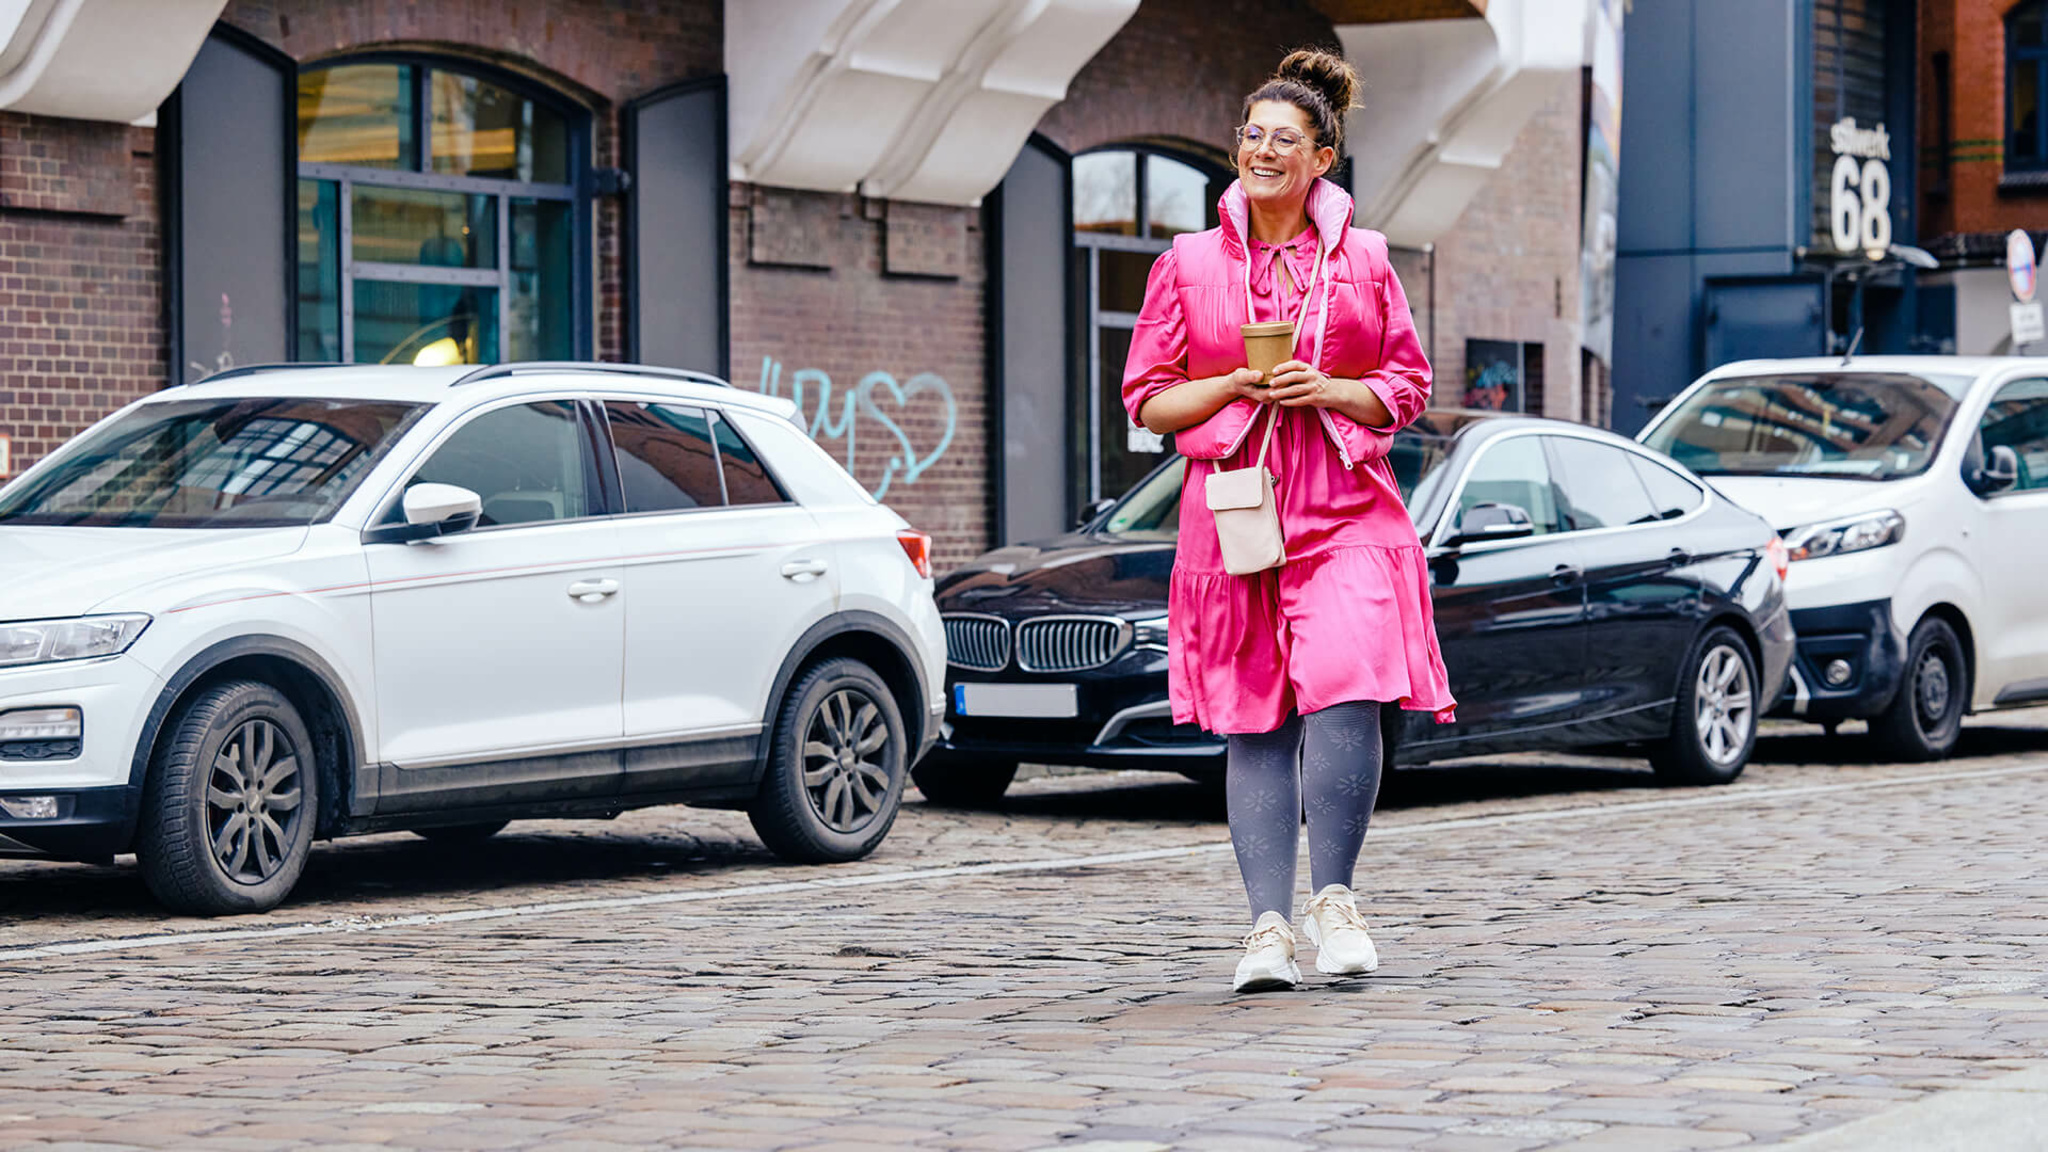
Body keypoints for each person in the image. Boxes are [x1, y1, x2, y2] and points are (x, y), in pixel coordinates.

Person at [1121, 48, 1455, 993]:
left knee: (1347, 689)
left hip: (1345, 504)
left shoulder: (1366, 260)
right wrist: (1230, 383)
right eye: (1252, 135)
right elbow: (1147, 398)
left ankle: (1335, 901)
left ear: (1321, 158)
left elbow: (1406, 383)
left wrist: (1332, 389)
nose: (1263, 150)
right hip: (1236, 510)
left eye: (1285, 139)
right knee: (1255, 718)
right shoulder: (1186, 264)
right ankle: (1266, 928)